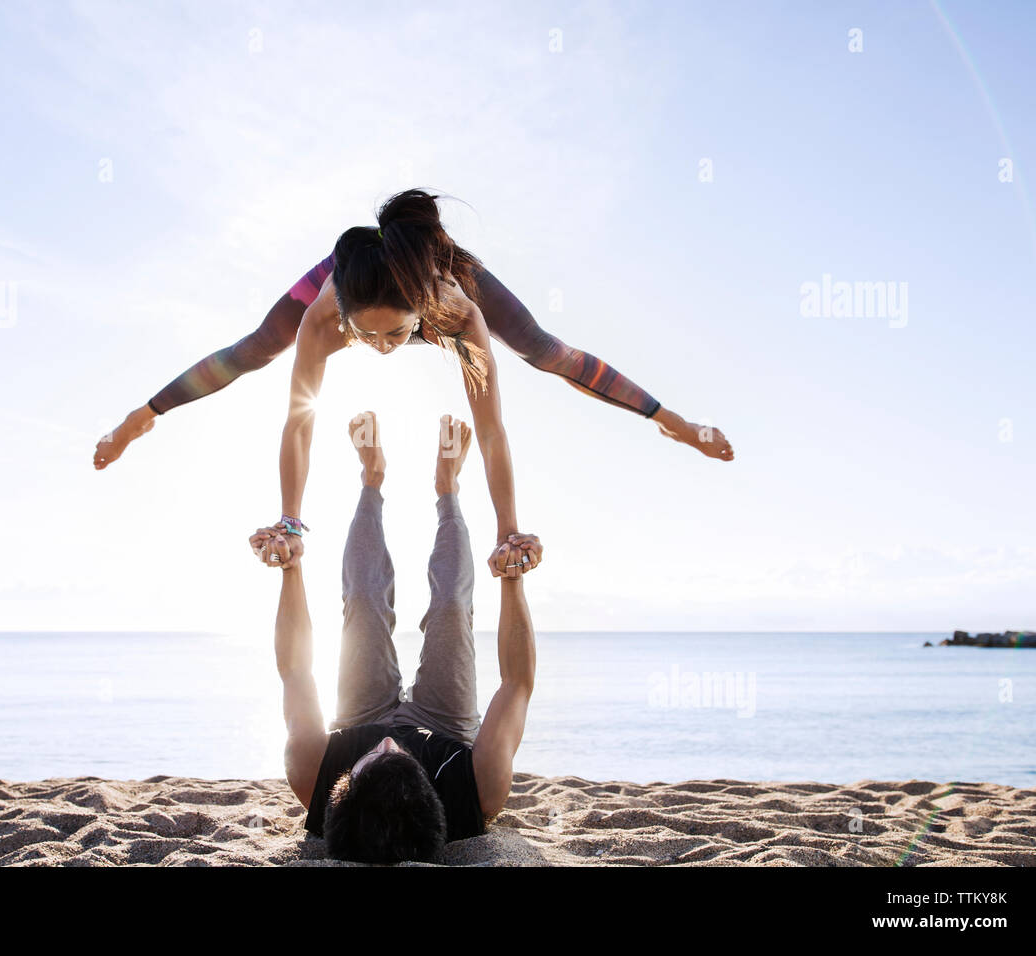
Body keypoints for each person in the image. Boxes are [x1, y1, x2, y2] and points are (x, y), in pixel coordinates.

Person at [95, 188, 732, 578]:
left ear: (421, 317)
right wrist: (290, 521)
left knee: (543, 351)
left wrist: (508, 529)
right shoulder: (323, 316)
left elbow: (491, 431)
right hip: (358, 273)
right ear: (342, 316)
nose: (380, 348)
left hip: (433, 275)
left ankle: (673, 422)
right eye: (366, 336)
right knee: (255, 348)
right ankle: (142, 416)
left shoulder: (458, 312)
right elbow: (299, 423)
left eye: (395, 336)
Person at [256, 411, 539, 863]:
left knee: (364, 601)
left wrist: (290, 567)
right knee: (450, 607)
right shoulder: (478, 789)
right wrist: (512, 576)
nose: (390, 741)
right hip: (444, 726)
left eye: (373, 757)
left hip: (359, 715)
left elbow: (295, 669)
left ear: (342, 785)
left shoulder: (312, 772)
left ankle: (372, 478)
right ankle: (448, 487)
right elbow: (517, 683)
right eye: (402, 757)